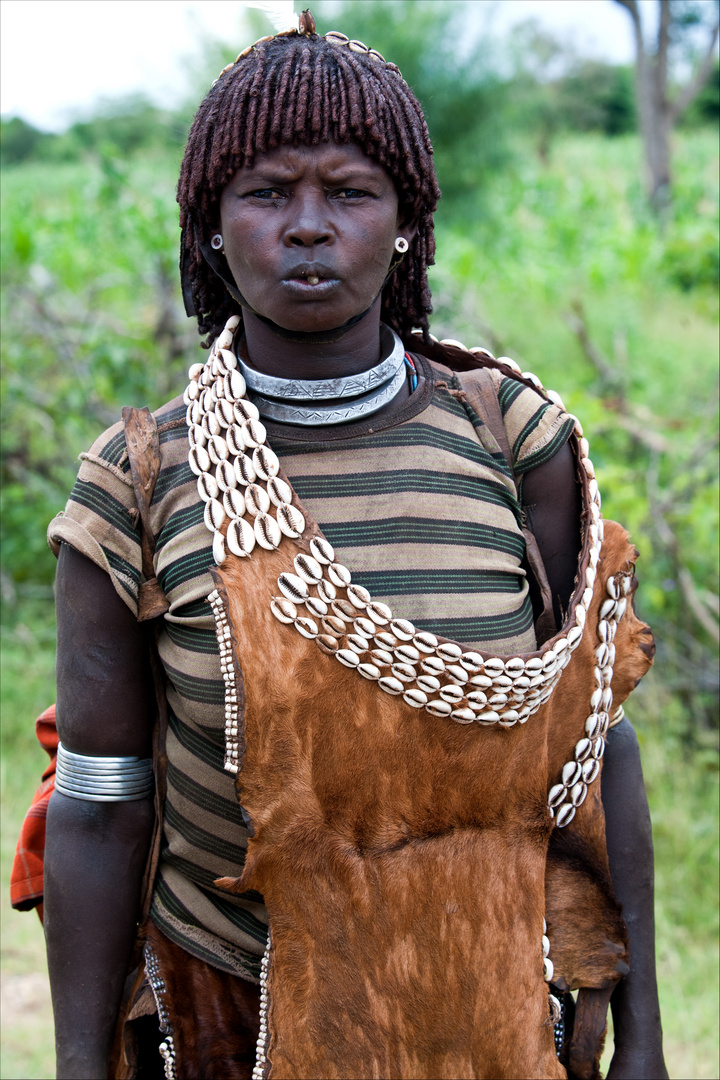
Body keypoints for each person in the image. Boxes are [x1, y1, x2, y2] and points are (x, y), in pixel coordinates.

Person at [43, 12, 667, 1080]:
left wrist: (644, 1039)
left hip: (490, 1005)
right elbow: (101, 803)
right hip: (236, 1021)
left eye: (350, 191)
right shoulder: (141, 481)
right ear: (210, 227)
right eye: (267, 193)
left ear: (407, 223)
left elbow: (589, 746)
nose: (307, 226)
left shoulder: (514, 440)